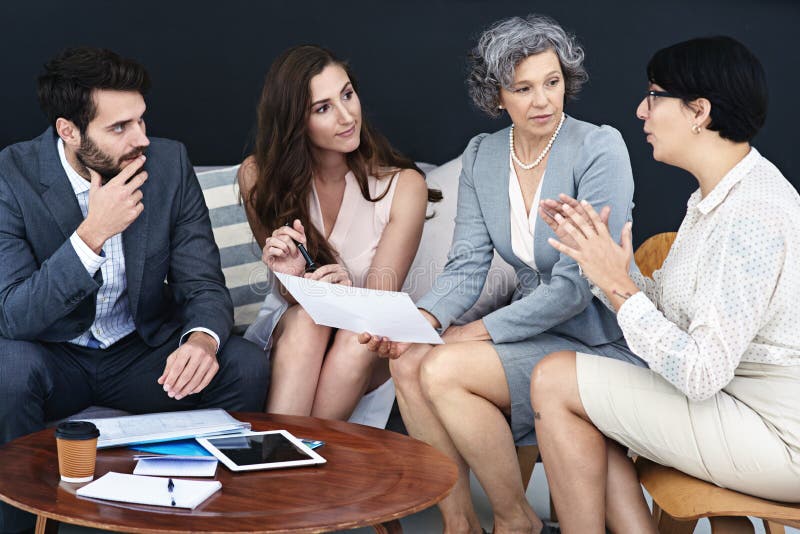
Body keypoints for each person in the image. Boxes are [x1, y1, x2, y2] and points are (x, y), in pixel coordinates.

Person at [360, 14, 645, 534]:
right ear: (496, 96)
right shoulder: (482, 155)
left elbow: (579, 286)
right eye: (524, 88)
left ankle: (516, 520)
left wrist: (476, 332)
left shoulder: (599, 147)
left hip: (597, 336)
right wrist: (421, 320)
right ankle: (460, 521)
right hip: (529, 329)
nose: (543, 101)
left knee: (445, 370)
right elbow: (467, 265)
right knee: (407, 361)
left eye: (552, 83)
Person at [532, 36, 800, 533]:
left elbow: (700, 372)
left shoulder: (750, 214)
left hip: (782, 438)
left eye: (654, 95)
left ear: (699, 111)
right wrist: (606, 263)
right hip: (741, 409)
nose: (640, 110)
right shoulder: (719, 194)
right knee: (570, 381)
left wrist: (618, 285)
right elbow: (677, 316)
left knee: (554, 378)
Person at [0, 47, 269, 533]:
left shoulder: (168, 163)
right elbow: (15, 315)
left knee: (244, 365)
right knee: (7, 370)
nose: (141, 139)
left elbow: (202, 282)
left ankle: (222, 519)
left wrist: (202, 340)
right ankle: (24, 523)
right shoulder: (12, 176)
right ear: (69, 131)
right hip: (53, 354)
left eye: (141, 120)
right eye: (120, 127)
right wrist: (91, 235)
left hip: (138, 352)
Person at [238, 45, 438, 420]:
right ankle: (294, 462)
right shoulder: (257, 176)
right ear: (295, 121)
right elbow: (287, 296)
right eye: (323, 108)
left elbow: (377, 311)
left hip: (362, 344)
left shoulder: (405, 187)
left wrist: (343, 298)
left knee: (355, 338)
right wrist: (294, 279)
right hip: (296, 336)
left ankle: (286, 459)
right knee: (308, 320)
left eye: (347, 94)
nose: (347, 116)